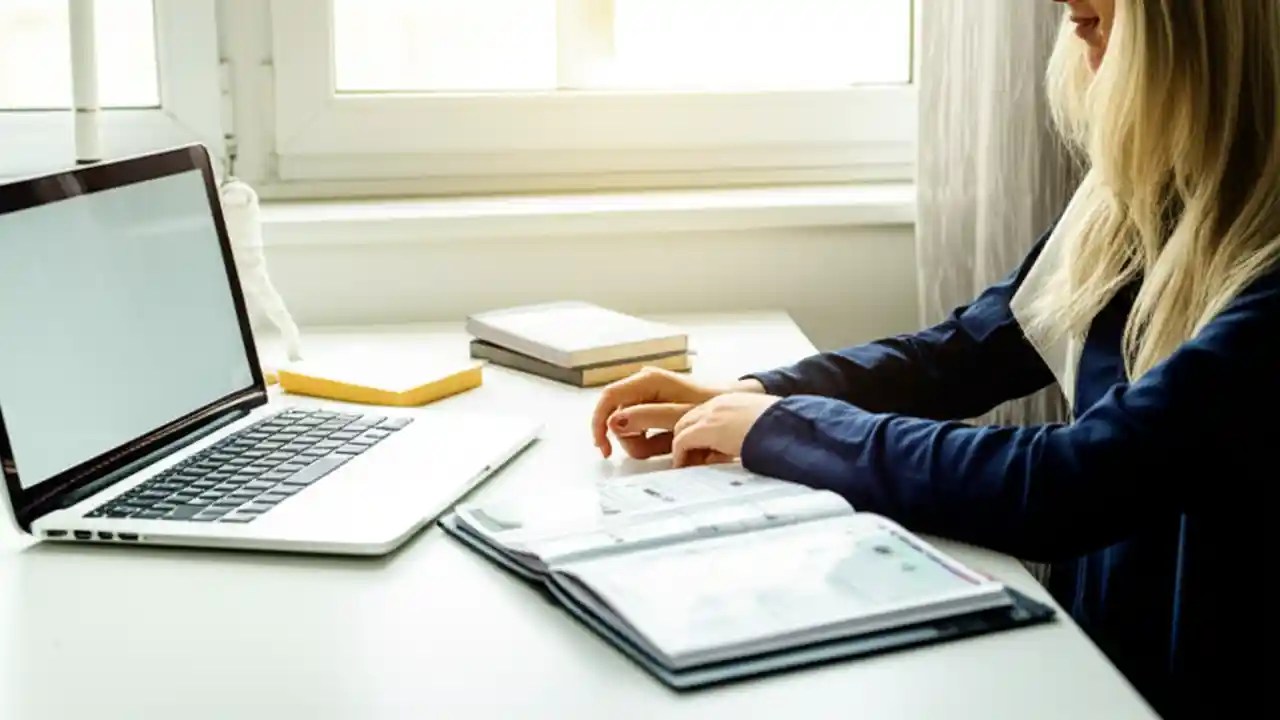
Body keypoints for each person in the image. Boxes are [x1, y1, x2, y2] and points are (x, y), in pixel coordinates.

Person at [589, 1, 1278, 717]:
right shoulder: (1138, 196)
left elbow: (1075, 482)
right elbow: (967, 352)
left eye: (1099, 21)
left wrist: (785, 426)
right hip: (1098, 671)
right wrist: (749, 393)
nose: (1075, 25)